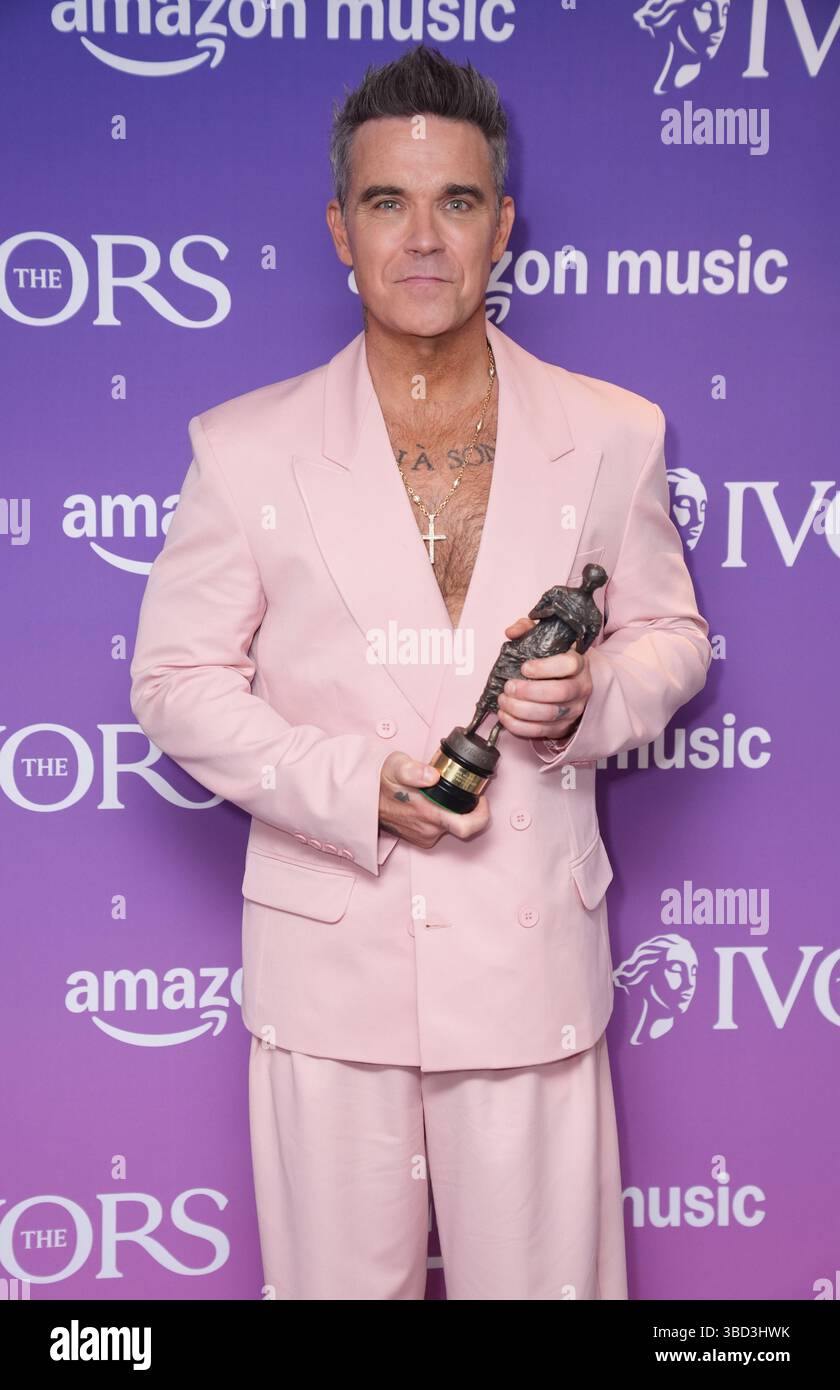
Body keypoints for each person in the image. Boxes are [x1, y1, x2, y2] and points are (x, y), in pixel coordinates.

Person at [129, 44, 711, 1300]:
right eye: (388, 202)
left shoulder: (615, 430)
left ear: (503, 224)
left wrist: (590, 702)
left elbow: (672, 637)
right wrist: (350, 785)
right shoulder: (244, 448)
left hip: (527, 952)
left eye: (456, 201)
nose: (424, 237)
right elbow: (175, 677)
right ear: (342, 229)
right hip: (331, 955)